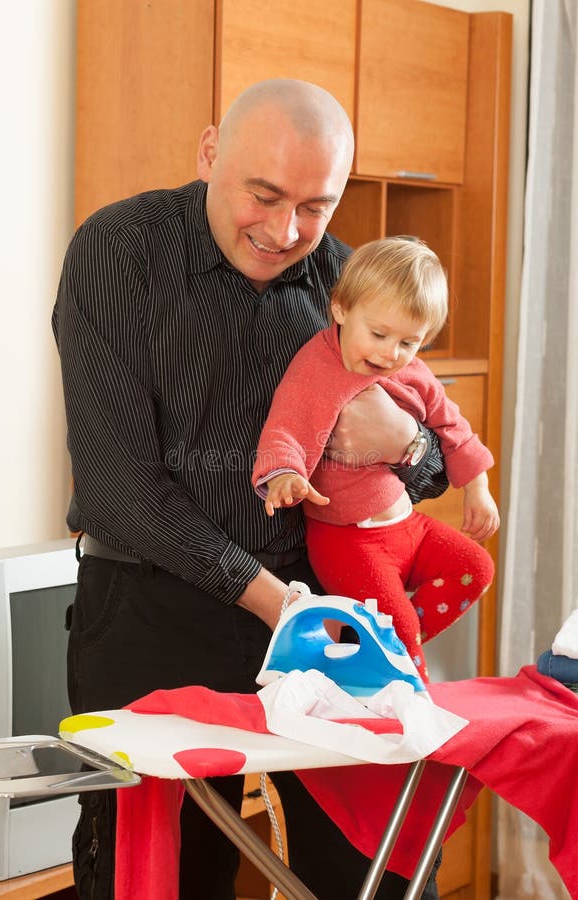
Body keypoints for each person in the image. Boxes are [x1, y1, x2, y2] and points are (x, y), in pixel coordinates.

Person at [53, 79, 449, 900]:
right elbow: (121, 487)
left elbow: (435, 455)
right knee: (166, 875)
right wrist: (276, 602)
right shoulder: (121, 252)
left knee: (378, 868)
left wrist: (405, 442)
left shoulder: (344, 276)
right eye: (263, 196)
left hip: (323, 605)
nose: (285, 232)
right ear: (209, 154)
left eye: (315, 207)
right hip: (155, 609)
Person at [253, 237, 499, 682]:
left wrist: (477, 489)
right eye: (379, 334)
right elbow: (286, 425)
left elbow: (452, 426)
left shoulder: (411, 371)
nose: (391, 354)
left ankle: (371, 648)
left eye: (409, 342)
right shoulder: (317, 367)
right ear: (341, 309)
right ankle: (406, 690)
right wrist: (284, 474)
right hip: (350, 541)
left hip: (406, 525)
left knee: (475, 567)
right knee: (399, 628)